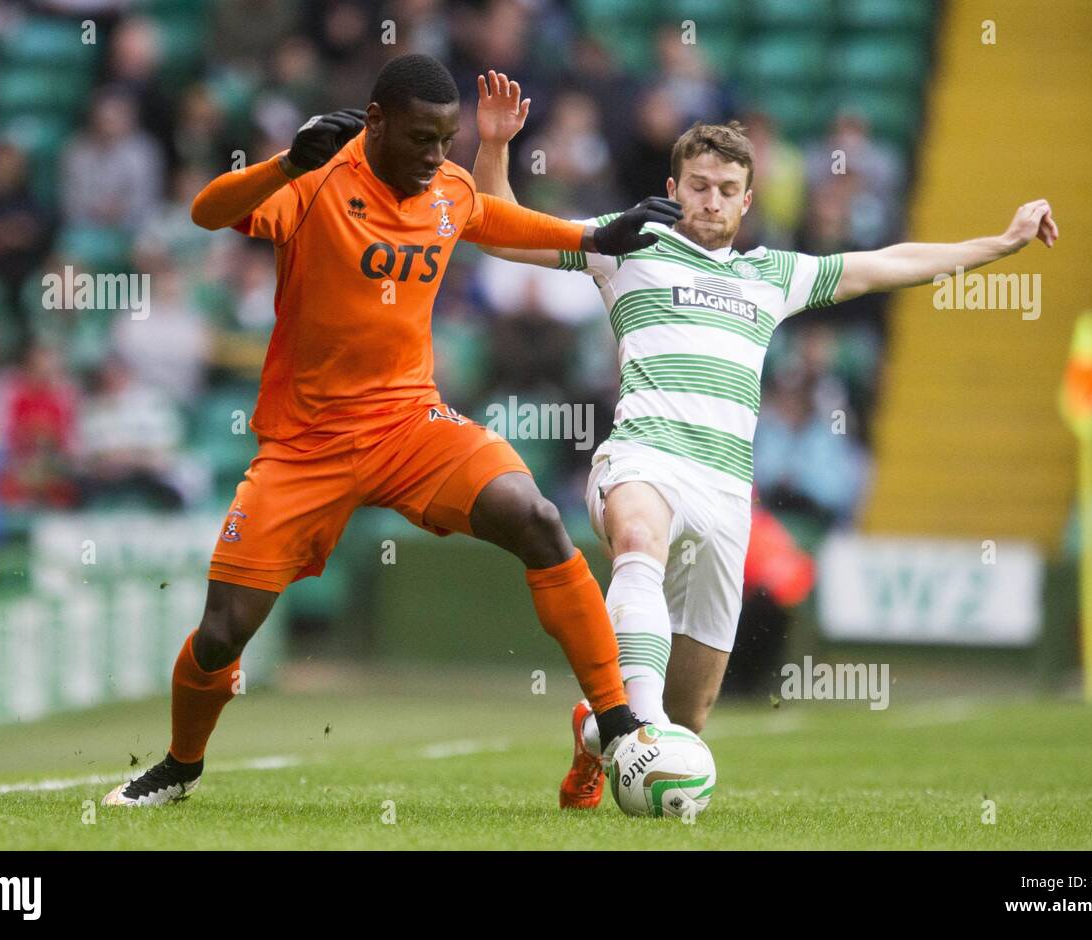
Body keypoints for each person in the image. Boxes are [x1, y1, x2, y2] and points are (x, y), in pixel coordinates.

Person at [103, 54, 684, 806]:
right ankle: (181, 766)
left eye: (447, 139)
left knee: (537, 519)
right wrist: (283, 164)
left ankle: (620, 722)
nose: (436, 156)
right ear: (375, 123)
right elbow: (208, 213)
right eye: (420, 139)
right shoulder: (315, 183)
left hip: (411, 424)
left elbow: (505, 219)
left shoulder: (448, 187)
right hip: (306, 444)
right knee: (222, 633)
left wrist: (603, 235)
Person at [470, 70, 1059, 808]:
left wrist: (1001, 243)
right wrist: (493, 146)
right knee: (638, 543)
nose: (709, 199)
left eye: (725, 189)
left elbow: (889, 265)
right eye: (697, 184)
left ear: (748, 201)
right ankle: (632, 727)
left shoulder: (771, 274)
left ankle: (599, 730)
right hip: (645, 455)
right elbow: (501, 229)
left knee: (693, 720)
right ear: (674, 185)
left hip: (724, 489)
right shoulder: (626, 244)